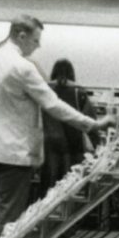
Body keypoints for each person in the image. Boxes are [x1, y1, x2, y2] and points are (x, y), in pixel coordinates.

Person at [0, 15, 111, 238]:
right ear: (21, 35)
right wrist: (92, 124)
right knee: (8, 214)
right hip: (15, 152)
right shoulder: (23, 67)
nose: (38, 46)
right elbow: (53, 105)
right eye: (36, 40)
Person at [40, 58, 91, 194]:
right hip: (73, 142)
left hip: (49, 141)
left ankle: (46, 212)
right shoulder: (79, 91)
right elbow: (89, 119)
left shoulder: (45, 89)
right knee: (71, 182)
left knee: (49, 180)